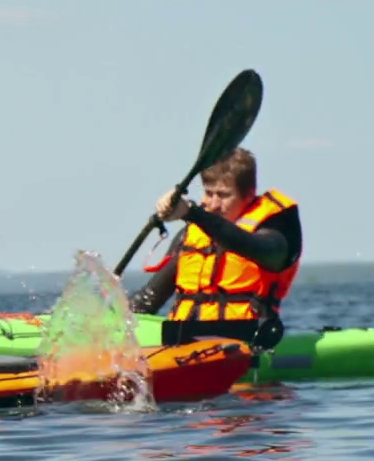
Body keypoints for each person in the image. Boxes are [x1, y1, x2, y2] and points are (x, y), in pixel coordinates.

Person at [128, 147, 302, 348]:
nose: (213, 204)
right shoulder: (194, 234)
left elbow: (247, 245)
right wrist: (105, 325)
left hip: (249, 338)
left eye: (223, 195)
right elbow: (149, 299)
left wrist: (192, 212)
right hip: (183, 340)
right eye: (209, 193)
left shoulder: (275, 231)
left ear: (249, 194)